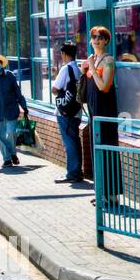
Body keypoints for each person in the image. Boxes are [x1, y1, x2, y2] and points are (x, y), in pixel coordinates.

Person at [80, 26, 119, 202]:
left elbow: (104, 86)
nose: (96, 40)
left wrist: (93, 69)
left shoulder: (108, 60)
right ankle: (101, 193)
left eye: (100, 37)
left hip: (105, 113)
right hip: (93, 113)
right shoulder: (92, 59)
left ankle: (112, 195)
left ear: (106, 40)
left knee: (107, 149)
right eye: (93, 37)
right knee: (96, 151)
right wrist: (87, 69)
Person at [50, 42, 85, 184]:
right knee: (75, 141)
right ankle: (77, 171)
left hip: (65, 112)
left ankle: (73, 173)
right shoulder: (78, 69)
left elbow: (55, 88)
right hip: (76, 111)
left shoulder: (65, 69)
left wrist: (57, 89)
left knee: (69, 143)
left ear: (64, 54)